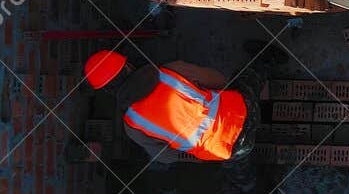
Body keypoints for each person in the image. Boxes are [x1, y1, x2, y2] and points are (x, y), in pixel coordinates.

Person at [83, 49, 258, 166]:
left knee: (235, 164)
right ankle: (265, 64)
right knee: (245, 80)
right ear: (128, 65)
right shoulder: (170, 71)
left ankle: (247, 181)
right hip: (246, 109)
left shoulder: (132, 124)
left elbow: (164, 156)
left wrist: (196, 157)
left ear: (108, 91)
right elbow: (217, 79)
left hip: (231, 149)